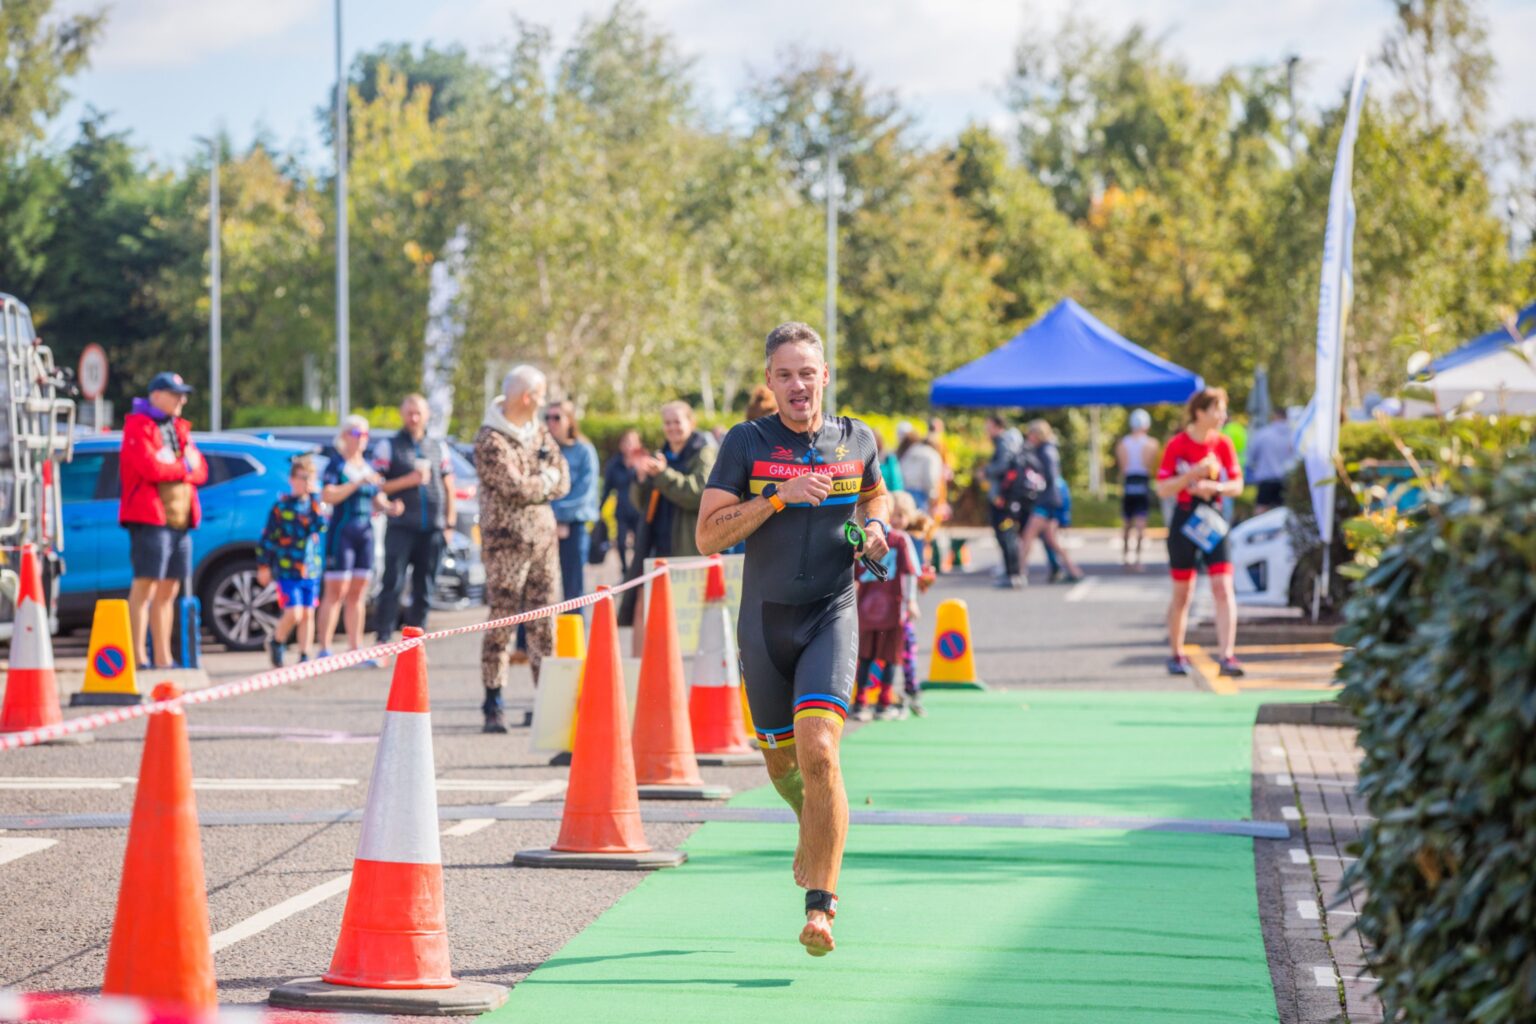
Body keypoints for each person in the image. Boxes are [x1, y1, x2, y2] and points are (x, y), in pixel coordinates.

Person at [696, 321, 890, 958]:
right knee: (783, 766)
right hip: (765, 621)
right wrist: (776, 498)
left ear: (825, 376)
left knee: (822, 748)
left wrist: (878, 529)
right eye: (785, 374)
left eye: (807, 372)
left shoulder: (856, 438)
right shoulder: (746, 444)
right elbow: (709, 536)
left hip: (830, 612)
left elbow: (877, 495)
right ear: (770, 382)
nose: (798, 385)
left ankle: (821, 909)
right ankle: (811, 824)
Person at [474, 366, 569, 733]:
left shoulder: (539, 431)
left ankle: (546, 704)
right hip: (506, 545)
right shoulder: (490, 439)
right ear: (527, 397)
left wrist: (543, 481)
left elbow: (564, 476)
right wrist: (545, 480)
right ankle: (493, 700)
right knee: (503, 619)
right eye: (541, 395)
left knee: (544, 622)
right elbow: (514, 487)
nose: (544, 403)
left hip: (544, 542)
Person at [119, 371, 208, 669]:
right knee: (145, 585)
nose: (181, 399)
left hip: (180, 520)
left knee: (169, 590)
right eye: (175, 393)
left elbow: (202, 471)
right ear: (156, 395)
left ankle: (163, 657)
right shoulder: (137, 426)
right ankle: (138, 656)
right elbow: (150, 469)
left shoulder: (180, 429)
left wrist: (178, 466)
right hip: (150, 519)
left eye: (183, 394)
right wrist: (184, 467)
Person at [1157, 387, 1245, 678]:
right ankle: (1176, 653)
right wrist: (1192, 475)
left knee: (1223, 586)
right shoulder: (1177, 445)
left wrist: (1215, 487)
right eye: (1217, 410)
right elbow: (1162, 488)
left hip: (1213, 518)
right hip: (1185, 519)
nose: (1222, 416)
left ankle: (1227, 656)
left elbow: (1237, 484)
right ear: (1200, 412)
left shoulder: (1223, 444)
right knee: (1184, 591)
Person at [316, 416, 402, 663]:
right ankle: (325, 648)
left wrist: (390, 507)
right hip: (342, 532)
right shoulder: (337, 464)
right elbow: (328, 495)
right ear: (344, 436)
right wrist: (355, 484)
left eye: (365, 434)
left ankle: (355, 647)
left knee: (358, 591)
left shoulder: (367, 466)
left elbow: (377, 498)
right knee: (336, 590)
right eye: (356, 433)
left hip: (365, 533)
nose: (361, 439)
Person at [371, 394, 456, 645]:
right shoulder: (389, 446)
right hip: (401, 527)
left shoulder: (438, 446)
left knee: (425, 588)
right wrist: (407, 481)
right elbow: (378, 486)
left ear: (427, 415)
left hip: (432, 529)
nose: (414, 418)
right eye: (409, 412)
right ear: (402, 414)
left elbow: (449, 485)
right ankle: (383, 639)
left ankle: (416, 642)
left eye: (418, 412)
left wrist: (448, 524)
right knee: (392, 584)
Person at [851, 494, 921, 721]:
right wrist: (910, 601)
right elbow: (911, 572)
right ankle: (878, 702)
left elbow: (851, 576)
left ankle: (867, 702)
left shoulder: (864, 538)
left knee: (870, 656)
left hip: (871, 608)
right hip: (890, 607)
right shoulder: (899, 540)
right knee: (886, 656)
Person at [256, 456, 327, 666]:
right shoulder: (282, 507)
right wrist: (264, 565)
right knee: (293, 612)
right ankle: (277, 640)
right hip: (288, 568)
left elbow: (320, 526)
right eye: (301, 478)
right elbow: (268, 538)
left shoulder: (314, 506)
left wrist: (315, 496)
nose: (304, 482)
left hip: (310, 568)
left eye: (309, 478)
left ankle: (304, 654)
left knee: (307, 612)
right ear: (292, 479)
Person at [631, 401, 716, 560]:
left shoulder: (704, 453)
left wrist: (663, 475)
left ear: (691, 423)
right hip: (659, 549)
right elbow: (641, 505)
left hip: (690, 550)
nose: (672, 427)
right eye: (667, 423)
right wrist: (641, 480)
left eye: (677, 421)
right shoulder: (659, 456)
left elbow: (700, 494)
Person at [1018, 420, 1084, 584]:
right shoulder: (1046, 450)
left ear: (1038, 434)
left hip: (1047, 500)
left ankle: (1018, 571)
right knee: (1051, 540)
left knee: (1028, 536)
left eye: (1031, 434)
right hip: (1052, 499)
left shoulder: (1046, 452)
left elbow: (1049, 478)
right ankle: (1073, 569)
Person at [546, 400, 599, 603]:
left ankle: (573, 634)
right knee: (538, 590)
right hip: (546, 526)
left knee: (572, 591)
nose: (552, 422)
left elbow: (584, 494)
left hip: (574, 527)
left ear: (569, 420)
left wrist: (558, 516)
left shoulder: (584, 451)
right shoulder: (544, 450)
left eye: (557, 417)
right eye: (548, 417)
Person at [982, 414, 1028, 589]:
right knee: (1008, 536)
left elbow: (1003, 466)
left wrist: (986, 471)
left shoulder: (1004, 443)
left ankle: (1013, 574)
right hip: (1007, 499)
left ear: (997, 426)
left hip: (1003, 499)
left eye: (988, 426)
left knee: (1006, 536)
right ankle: (1013, 573)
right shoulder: (1010, 443)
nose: (986, 431)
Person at [1117, 409, 1160, 571]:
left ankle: (1125, 558)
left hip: (1129, 482)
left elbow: (1123, 467)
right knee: (1141, 524)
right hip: (1142, 482)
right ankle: (1138, 560)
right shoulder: (1151, 443)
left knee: (1127, 524)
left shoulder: (1123, 443)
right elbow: (1149, 465)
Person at [600, 429, 645, 575]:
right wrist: (600, 508)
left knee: (640, 543)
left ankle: (638, 570)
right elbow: (607, 488)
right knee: (620, 542)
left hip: (639, 509)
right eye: (626, 442)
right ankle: (625, 570)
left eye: (632, 442)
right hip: (622, 509)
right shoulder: (614, 464)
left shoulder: (643, 460)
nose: (629, 446)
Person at [1246, 409, 1294, 513]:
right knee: (1282, 513)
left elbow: (1251, 456)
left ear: (1274, 417)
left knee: (1261, 512)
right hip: (1285, 480)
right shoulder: (1293, 435)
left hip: (1266, 480)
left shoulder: (1264, 434)